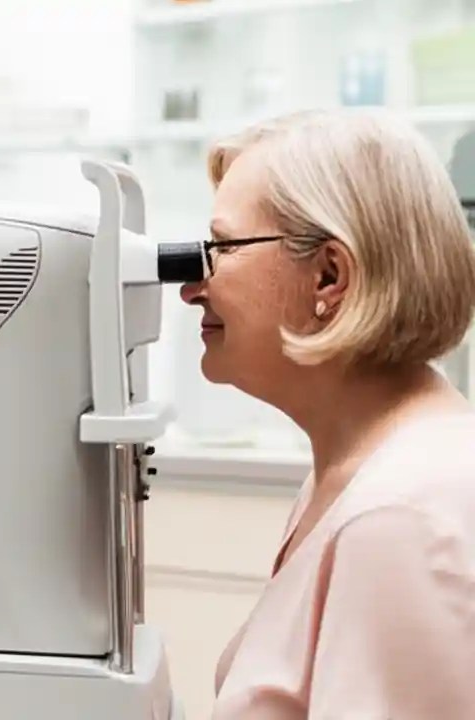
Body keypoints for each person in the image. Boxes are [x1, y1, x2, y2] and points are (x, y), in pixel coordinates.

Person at [179, 107, 475, 718]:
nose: (190, 286)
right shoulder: (348, 470)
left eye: (223, 246)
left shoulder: (399, 518)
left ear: (329, 276)